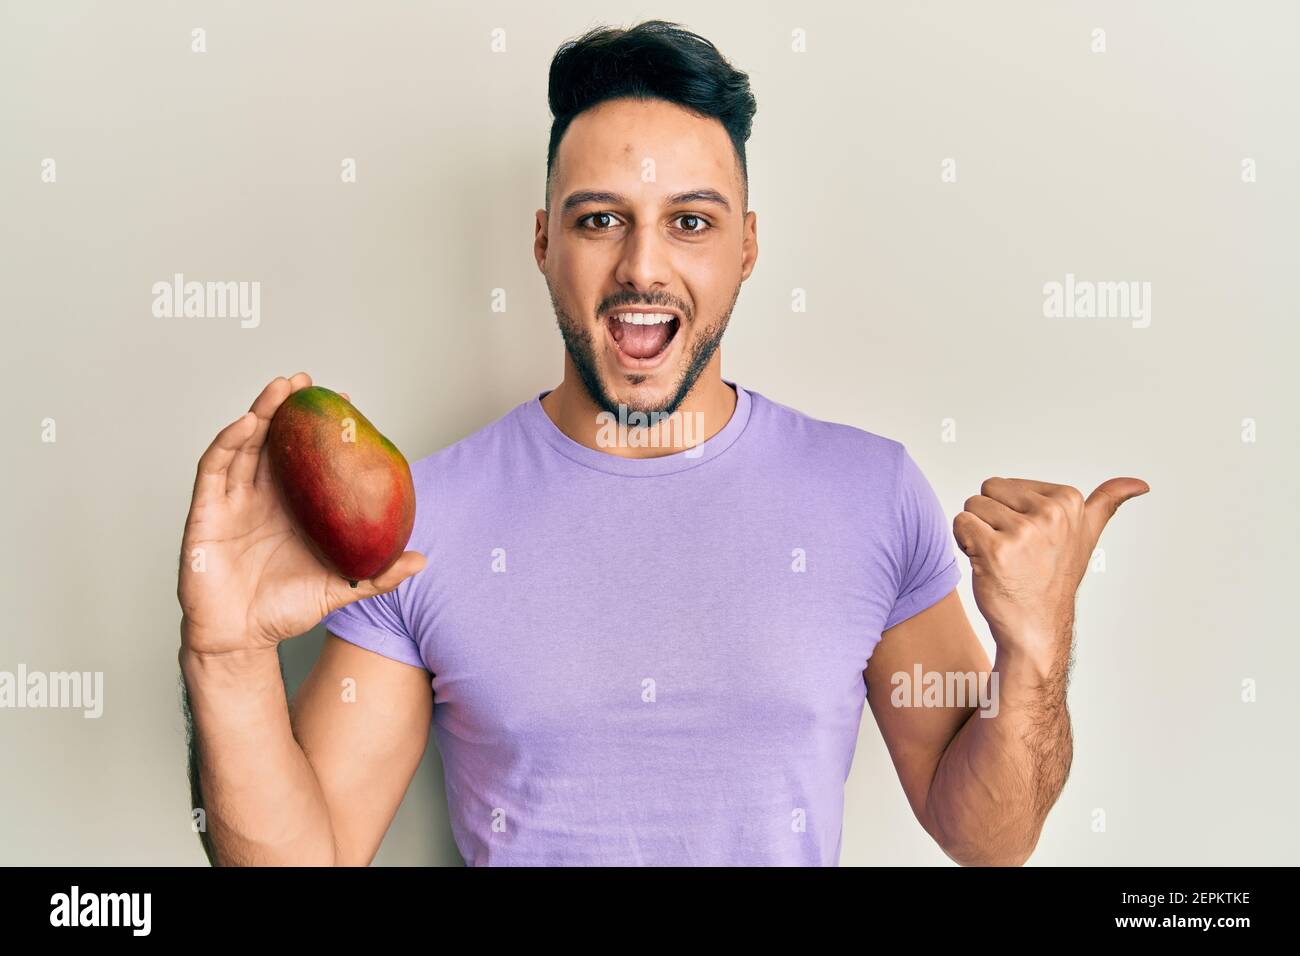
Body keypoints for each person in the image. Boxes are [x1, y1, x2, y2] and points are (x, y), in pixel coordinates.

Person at [177, 20, 1147, 866]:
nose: (642, 266)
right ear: (544, 242)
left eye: (690, 221)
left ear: (747, 247)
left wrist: (1035, 650)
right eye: (601, 220)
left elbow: (990, 836)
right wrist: (225, 655)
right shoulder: (425, 521)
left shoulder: (869, 491)